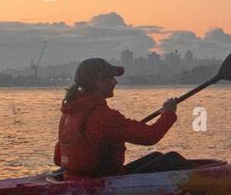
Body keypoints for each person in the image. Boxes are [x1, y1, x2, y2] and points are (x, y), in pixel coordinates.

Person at [53, 58, 187, 176]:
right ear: (98, 82)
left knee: (157, 157)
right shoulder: (105, 117)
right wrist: (169, 113)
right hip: (103, 183)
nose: (115, 82)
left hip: (80, 177)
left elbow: (59, 159)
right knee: (172, 160)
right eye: (111, 78)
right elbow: (150, 136)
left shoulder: (68, 114)